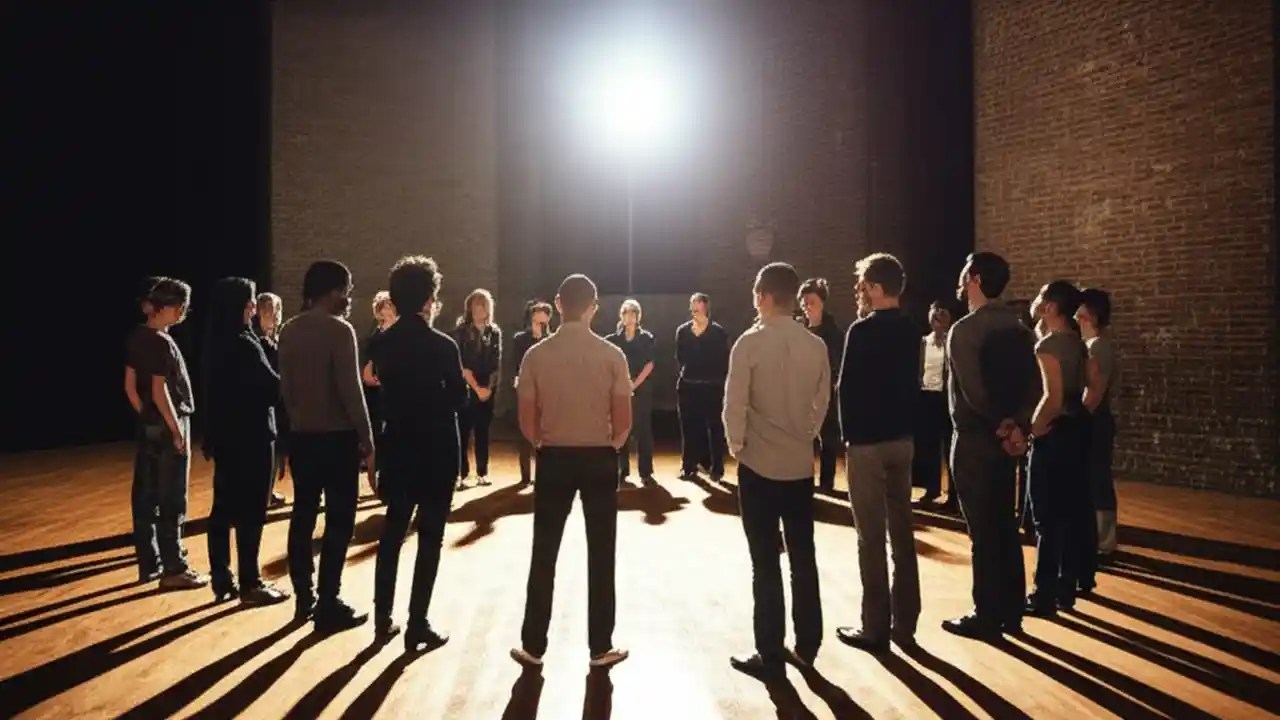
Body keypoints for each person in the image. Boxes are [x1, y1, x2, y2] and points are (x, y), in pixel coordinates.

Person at [511, 274, 632, 671]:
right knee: (602, 552)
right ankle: (600, 647)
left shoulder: (536, 356)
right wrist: (607, 446)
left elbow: (527, 422)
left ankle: (533, 644)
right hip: (598, 457)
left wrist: (545, 444)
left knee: (544, 551)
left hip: (555, 458)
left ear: (559, 304)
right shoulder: (612, 356)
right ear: (594, 307)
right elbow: (624, 422)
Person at [723, 263, 830, 679]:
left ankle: (769, 653)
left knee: (764, 562)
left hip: (759, 466)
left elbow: (734, 404)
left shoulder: (748, 345)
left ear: (764, 296)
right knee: (803, 556)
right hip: (800, 466)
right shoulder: (815, 346)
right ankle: (807, 647)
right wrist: (807, 434)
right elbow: (822, 400)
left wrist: (737, 446)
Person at [370, 256, 467, 651]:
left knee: (392, 533)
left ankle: (382, 618)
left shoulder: (381, 343)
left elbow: (383, 396)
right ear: (431, 298)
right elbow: (459, 400)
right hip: (438, 448)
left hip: (398, 446)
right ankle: (417, 623)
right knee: (430, 537)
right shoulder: (443, 346)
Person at [942, 252, 1039, 639]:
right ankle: (1012, 608)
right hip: (1008, 438)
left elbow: (974, 391)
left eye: (966, 273)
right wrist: (1019, 427)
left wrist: (1001, 425)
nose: (962, 279)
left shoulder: (964, 330)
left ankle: (985, 613)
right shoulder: (1022, 329)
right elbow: (1034, 385)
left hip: (976, 438)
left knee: (982, 530)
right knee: (1004, 522)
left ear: (975, 278)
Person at [279, 259, 374, 632]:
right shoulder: (340, 330)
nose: (349, 297)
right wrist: (367, 439)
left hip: (302, 437)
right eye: (346, 289)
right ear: (334, 290)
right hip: (336, 439)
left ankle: (304, 597)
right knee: (339, 521)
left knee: (302, 517)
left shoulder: (288, 330)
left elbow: (285, 390)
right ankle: (329, 600)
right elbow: (351, 392)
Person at [836, 254, 922, 652]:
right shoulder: (911, 329)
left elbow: (847, 389)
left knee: (870, 537)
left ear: (873, 287)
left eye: (863, 285)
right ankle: (906, 622)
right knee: (902, 534)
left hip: (868, 445)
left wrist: (846, 438)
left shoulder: (861, 331)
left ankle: (875, 627)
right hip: (902, 440)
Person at [201, 277, 290, 606]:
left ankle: (222, 578)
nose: (254, 307)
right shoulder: (245, 343)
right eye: (250, 301)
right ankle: (251, 583)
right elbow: (272, 389)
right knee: (252, 511)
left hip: (226, 437)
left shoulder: (215, 343)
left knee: (222, 510)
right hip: (251, 437)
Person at [123, 277, 209, 590]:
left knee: (145, 496)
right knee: (173, 498)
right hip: (169, 422)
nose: (183, 313)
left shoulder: (136, 337)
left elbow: (130, 388)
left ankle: (150, 564)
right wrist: (174, 430)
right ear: (166, 307)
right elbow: (160, 391)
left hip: (148, 425)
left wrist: (146, 417)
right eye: (180, 307)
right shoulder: (160, 342)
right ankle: (174, 567)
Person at [1025, 280, 1090, 616]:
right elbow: (1084, 389)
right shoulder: (1078, 343)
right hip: (1078, 431)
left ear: (1050, 307)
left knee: (1046, 519)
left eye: (1040, 297)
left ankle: (1043, 594)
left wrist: (1031, 432)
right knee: (1068, 514)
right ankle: (1066, 589)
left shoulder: (1048, 346)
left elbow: (1052, 396)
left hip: (1054, 434)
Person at [1077, 288, 1119, 562]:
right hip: (1092, 421)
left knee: (1098, 480)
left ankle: (1104, 543)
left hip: (1095, 422)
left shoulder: (1098, 347)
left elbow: (1094, 394)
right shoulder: (1090, 346)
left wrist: (1075, 417)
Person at [675, 293, 730, 481]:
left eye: (698, 306)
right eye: (692, 306)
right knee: (689, 428)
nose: (694, 310)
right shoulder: (683, 331)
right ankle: (688, 466)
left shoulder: (718, 332)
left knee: (715, 428)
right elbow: (681, 358)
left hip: (712, 387)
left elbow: (722, 359)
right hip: (688, 386)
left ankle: (717, 468)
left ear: (706, 308)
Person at [453, 289, 502, 489]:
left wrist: (488, 388)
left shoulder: (494, 332)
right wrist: (476, 388)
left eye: (483, 305)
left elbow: (495, 364)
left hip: (487, 388)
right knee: (463, 433)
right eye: (476, 305)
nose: (479, 309)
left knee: (483, 432)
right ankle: (461, 475)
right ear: (469, 308)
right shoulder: (461, 332)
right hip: (466, 387)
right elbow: (462, 365)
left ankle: (482, 472)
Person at [799, 278, 844, 492]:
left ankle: (827, 482)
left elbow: (835, 363)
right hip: (801, 392)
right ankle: (803, 478)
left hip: (824, 392)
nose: (807, 306)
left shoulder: (833, 332)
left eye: (812, 302)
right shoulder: (799, 329)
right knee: (801, 439)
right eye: (804, 302)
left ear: (822, 303)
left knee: (828, 438)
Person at [606, 299, 657, 487]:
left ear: (638, 316)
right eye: (626, 313)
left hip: (641, 391)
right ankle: (622, 470)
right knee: (621, 432)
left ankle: (646, 472)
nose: (630, 317)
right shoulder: (612, 340)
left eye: (633, 313)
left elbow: (649, 364)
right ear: (621, 316)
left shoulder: (647, 338)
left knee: (643, 432)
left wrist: (633, 385)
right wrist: (620, 386)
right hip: (619, 392)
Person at [914, 302, 955, 509]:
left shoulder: (953, 341)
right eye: (935, 318)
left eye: (942, 318)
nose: (938, 322)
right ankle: (932, 489)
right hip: (927, 397)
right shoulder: (924, 342)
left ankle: (953, 495)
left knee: (949, 446)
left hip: (945, 398)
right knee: (929, 446)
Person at [512, 300, 552, 487]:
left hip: (546, 392)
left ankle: (543, 474)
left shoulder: (552, 341)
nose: (540, 326)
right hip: (527, 391)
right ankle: (525, 476)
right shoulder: (520, 339)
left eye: (543, 323)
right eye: (537, 322)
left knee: (544, 433)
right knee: (525, 432)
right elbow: (516, 365)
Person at [255, 292, 289, 507]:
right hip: (265, 402)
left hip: (279, 402)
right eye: (269, 311)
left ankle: (268, 491)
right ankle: (262, 495)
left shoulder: (276, 339)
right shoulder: (257, 341)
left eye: (277, 311)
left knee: (278, 450)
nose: (274, 316)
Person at [361, 292, 397, 491]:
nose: (387, 312)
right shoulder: (375, 339)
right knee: (376, 437)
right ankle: (374, 480)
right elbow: (367, 375)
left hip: (393, 395)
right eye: (384, 309)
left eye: (390, 308)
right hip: (378, 395)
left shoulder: (400, 337)